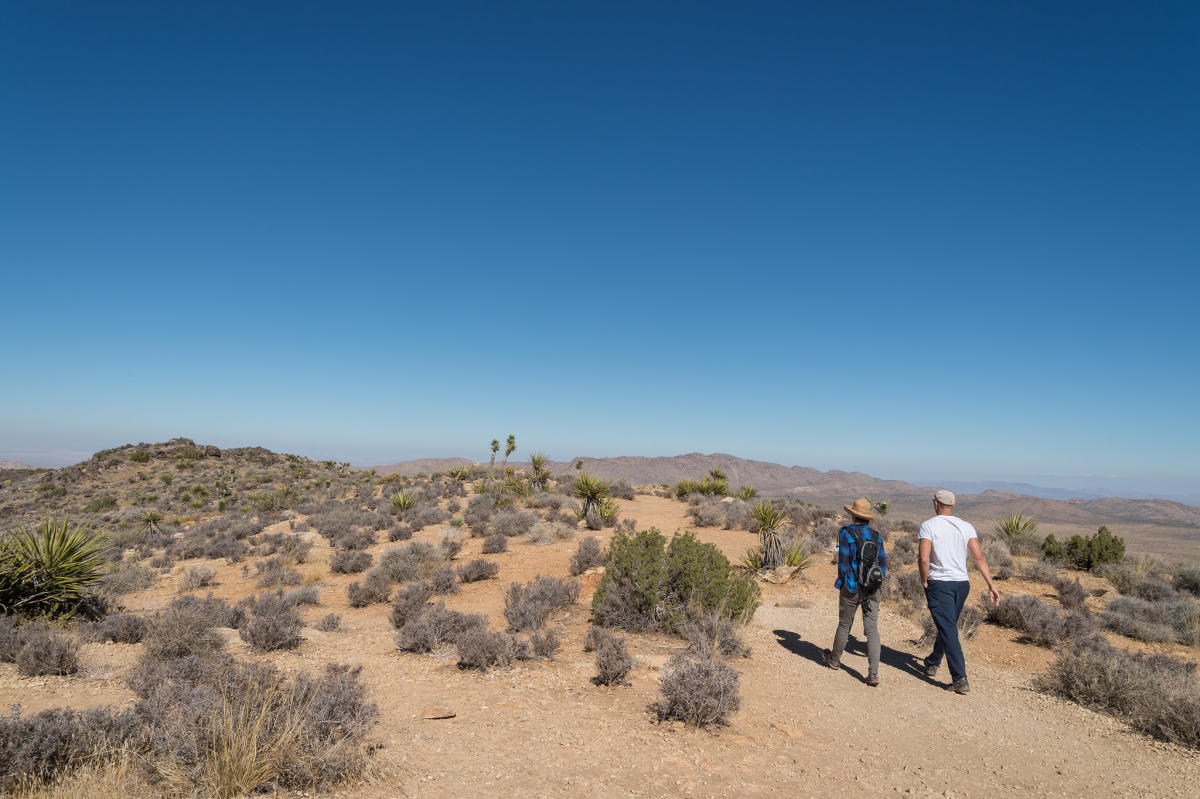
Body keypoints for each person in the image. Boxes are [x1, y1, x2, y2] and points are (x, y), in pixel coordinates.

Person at [918, 489, 999, 694]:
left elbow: (924, 558)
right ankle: (933, 662)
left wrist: (924, 579)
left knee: (947, 628)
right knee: (948, 625)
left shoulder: (928, 526)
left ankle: (959, 678)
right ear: (953, 505)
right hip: (962, 584)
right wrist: (991, 584)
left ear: (936, 504)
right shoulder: (966, 526)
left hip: (939, 583)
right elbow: (979, 557)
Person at [822, 497, 887, 686]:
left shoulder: (846, 533)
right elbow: (883, 564)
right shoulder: (877, 536)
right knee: (872, 629)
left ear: (853, 515)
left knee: (844, 624)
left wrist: (842, 583)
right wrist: (874, 584)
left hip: (851, 586)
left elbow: (843, 563)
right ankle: (873, 674)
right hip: (872, 588)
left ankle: (835, 660)